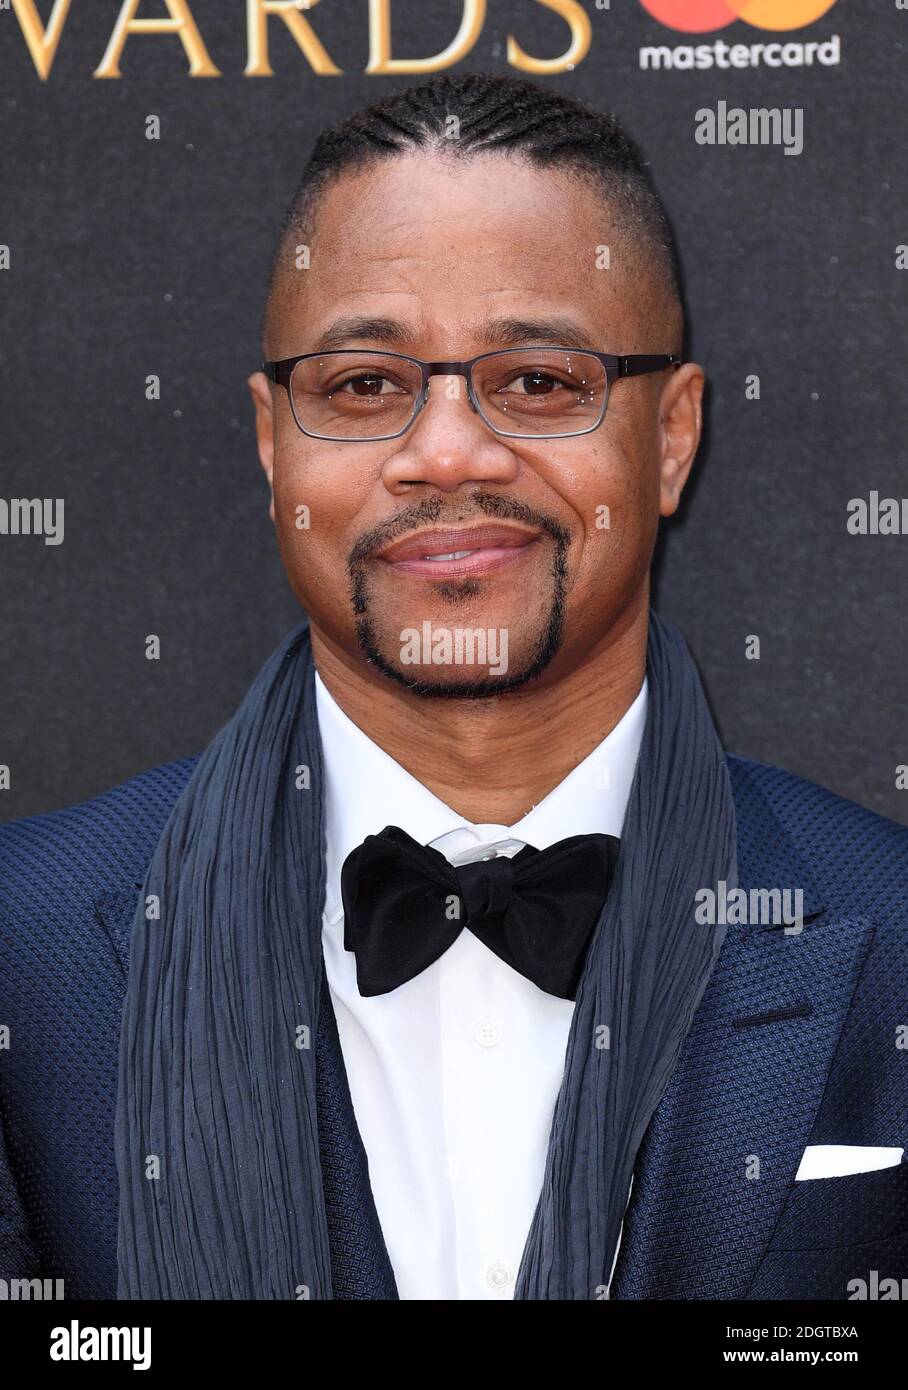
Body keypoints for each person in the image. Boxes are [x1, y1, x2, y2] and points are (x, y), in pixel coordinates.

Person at [1, 72, 906, 1303]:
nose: (443, 453)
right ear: (275, 445)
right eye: (363, 387)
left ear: (673, 437)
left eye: (537, 380)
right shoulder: (24, 946)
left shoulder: (889, 929)